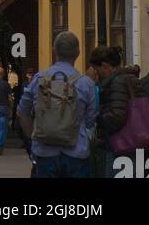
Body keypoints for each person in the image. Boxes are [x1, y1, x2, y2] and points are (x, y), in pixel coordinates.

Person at [17, 31, 97, 179]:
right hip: (76, 152)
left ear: (54, 51)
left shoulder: (39, 79)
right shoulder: (86, 84)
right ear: (78, 53)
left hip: (44, 151)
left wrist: (32, 136)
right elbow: (91, 119)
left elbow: (22, 111)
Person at [89, 44, 149, 177]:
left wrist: (98, 118)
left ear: (105, 66)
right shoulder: (130, 78)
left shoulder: (117, 82)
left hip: (121, 145)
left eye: (96, 69)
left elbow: (117, 116)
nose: (95, 73)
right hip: (137, 142)